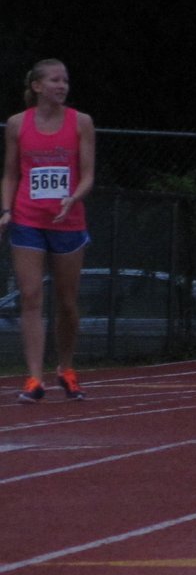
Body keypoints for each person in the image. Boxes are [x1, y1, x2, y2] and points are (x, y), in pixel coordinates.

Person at [1, 59, 96, 403]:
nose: (62, 86)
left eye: (65, 81)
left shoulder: (81, 122)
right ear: (37, 86)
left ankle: (66, 369)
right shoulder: (16, 124)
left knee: (67, 303)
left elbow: (87, 174)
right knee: (30, 297)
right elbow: (11, 173)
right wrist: (7, 210)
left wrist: (74, 196)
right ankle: (33, 378)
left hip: (67, 221)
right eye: (55, 80)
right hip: (27, 219)